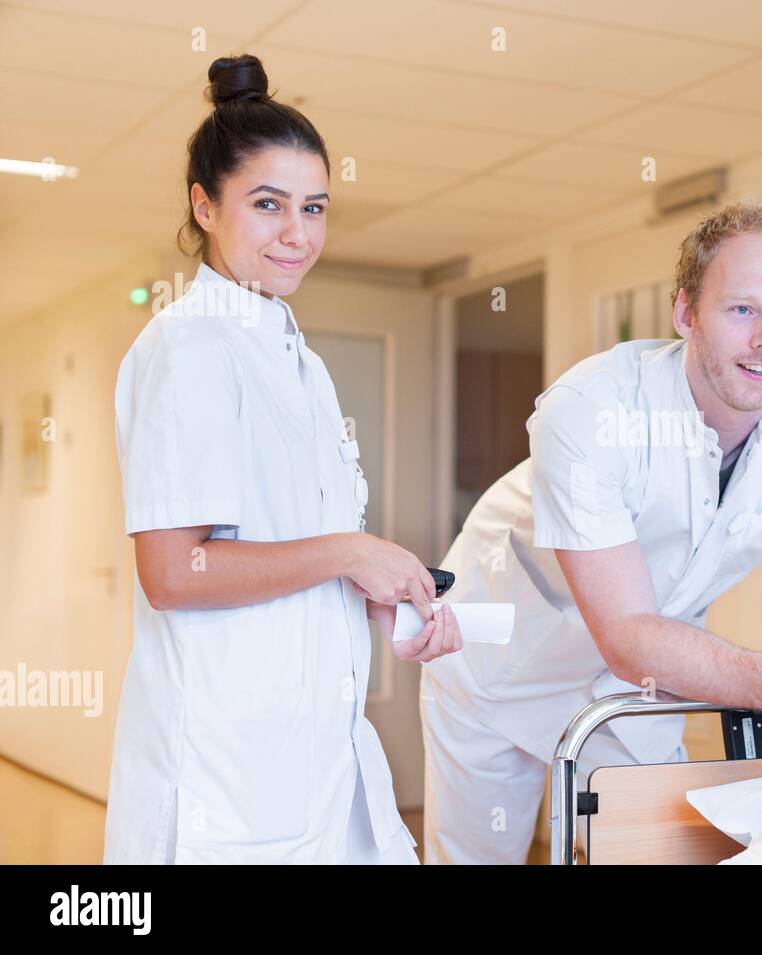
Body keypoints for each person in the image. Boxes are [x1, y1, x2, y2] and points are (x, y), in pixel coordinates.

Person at [420, 199, 762, 863]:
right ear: (686, 312)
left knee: (664, 852)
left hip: (642, 681)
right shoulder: (593, 409)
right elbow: (626, 634)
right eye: (742, 310)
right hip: (499, 665)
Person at [106, 54, 461, 864]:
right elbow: (172, 571)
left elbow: (290, 547)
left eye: (314, 207)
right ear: (205, 205)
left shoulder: (292, 352)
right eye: (268, 205)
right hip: (223, 785)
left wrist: (384, 599)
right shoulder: (193, 346)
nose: (297, 234)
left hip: (316, 758)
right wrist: (350, 552)